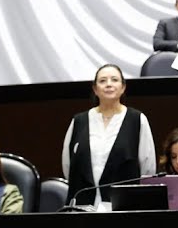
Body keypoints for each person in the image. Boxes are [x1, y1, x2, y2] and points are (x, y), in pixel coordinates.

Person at [61, 63, 157, 209]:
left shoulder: (137, 120)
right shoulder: (79, 121)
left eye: (114, 80)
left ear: (123, 87)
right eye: (102, 81)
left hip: (123, 206)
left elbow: (147, 168)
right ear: (95, 89)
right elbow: (68, 166)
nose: (109, 84)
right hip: (83, 206)